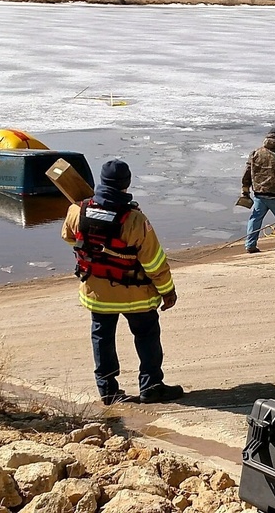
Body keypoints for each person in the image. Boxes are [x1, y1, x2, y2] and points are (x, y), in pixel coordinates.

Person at [61, 159, 183, 405]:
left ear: (101, 182)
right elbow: (154, 263)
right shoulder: (136, 220)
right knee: (147, 336)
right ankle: (151, 387)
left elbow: (68, 237)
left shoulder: (78, 210)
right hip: (136, 295)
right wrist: (168, 291)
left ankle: (108, 391)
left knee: (102, 338)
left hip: (96, 293)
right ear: (126, 184)